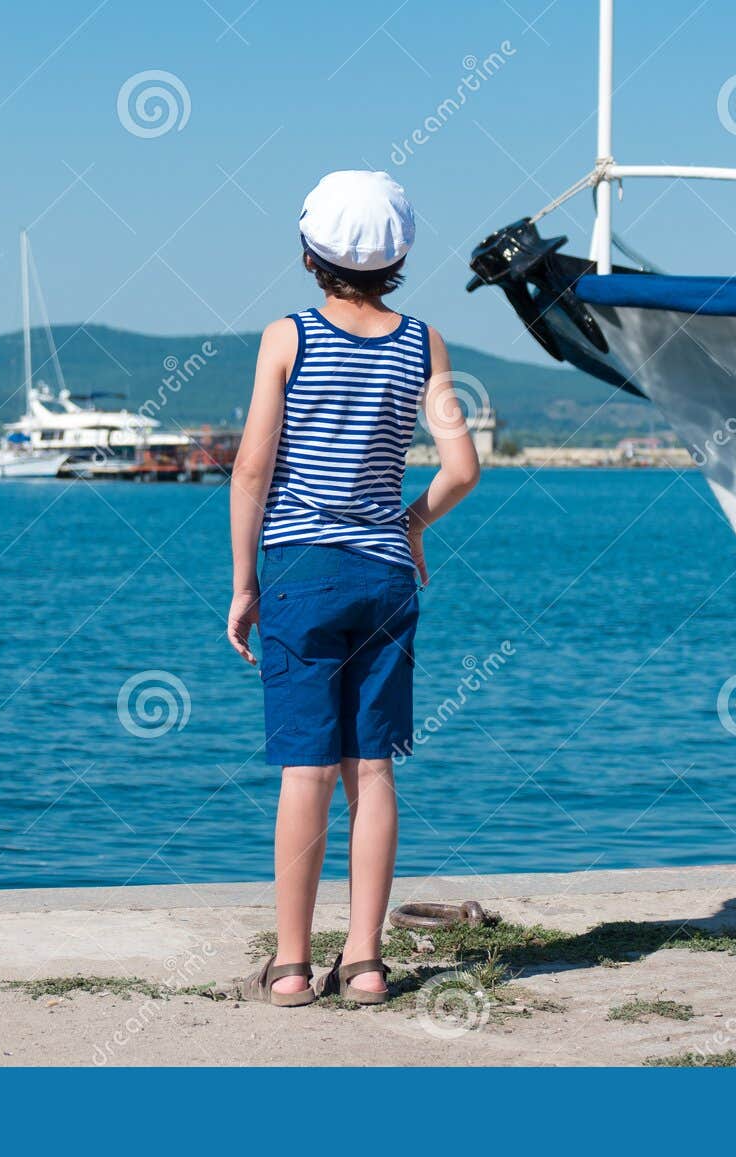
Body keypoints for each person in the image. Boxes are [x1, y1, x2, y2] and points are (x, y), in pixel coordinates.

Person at [227, 170, 480, 1007]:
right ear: (399, 253)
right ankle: (366, 963)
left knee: (305, 773)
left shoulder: (285, 338)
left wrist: (244, 583)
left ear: (310, 253)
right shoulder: (423, 342)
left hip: (301, 571)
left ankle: (293, 967)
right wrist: (409, 525)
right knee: (372, 769)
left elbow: (253, 472)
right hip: (384, 575)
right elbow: (461, 469)